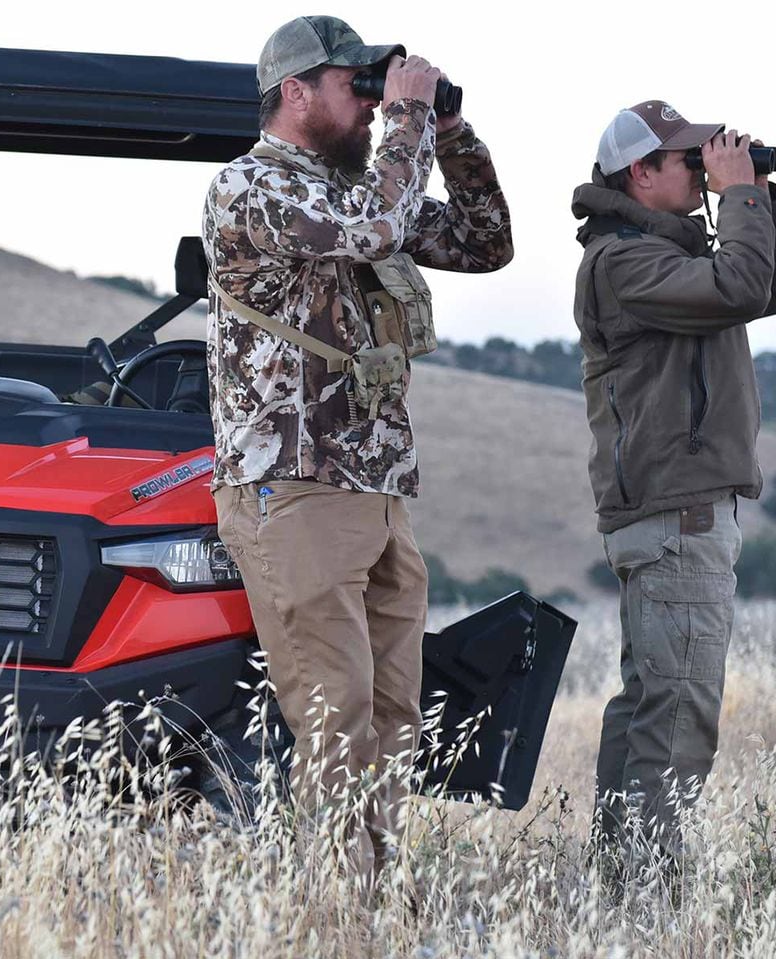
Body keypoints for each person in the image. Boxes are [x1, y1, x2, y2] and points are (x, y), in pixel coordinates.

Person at [202, 15, 512, 875]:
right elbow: (375, 225)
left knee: (389, 715)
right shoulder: (250, 188)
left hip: (372, 485)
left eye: (378, 94)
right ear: (294, 93)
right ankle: (338, 907)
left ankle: (369, 894)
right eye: (357, 89)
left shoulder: (357, 191)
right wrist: (410, 118)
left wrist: (449, 129)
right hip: (291, 486)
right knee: (335, 713)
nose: (374, 109)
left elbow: (487, 244)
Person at [571, 101, 776, 881]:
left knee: (650, 705)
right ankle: (648, 899)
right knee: (677, 720)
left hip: (680, 515)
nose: (700, 169)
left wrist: (759, 193)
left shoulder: (667, 255)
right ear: (640, 174)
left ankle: (618, 889)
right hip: (677, 519)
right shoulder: (624, 262)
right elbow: (739, 287)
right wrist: (736, 195)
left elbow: (774, 285)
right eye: (685, 161)